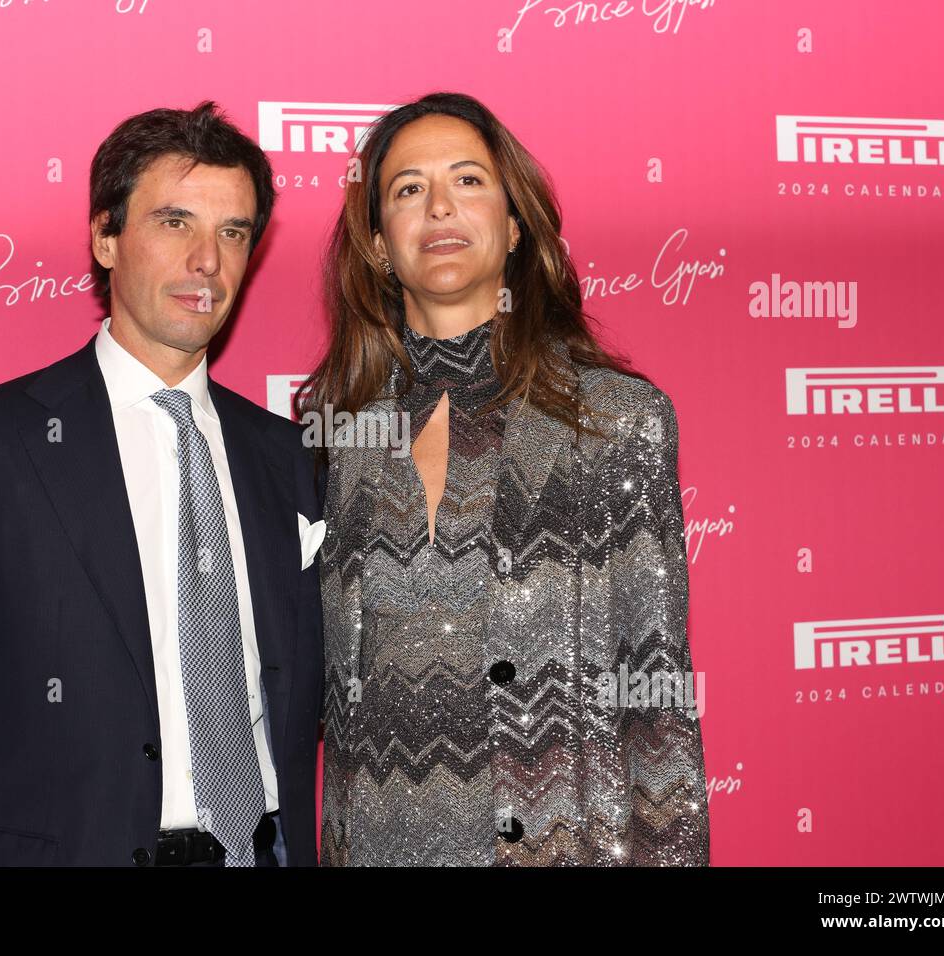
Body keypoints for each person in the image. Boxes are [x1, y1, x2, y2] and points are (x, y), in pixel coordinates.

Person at [0, 101, 325, 867]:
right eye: (175, 223)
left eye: (233, 232)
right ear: (106, 237)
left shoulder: (288, 455)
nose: (207, 262)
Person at [299, 91, 711, 866]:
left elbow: (657, 695)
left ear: (515, 226)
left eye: (469, 180)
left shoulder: (616, 419)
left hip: (555, 843)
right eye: (409, 190)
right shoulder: (338, 432)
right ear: (381, 245)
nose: (441, 207)